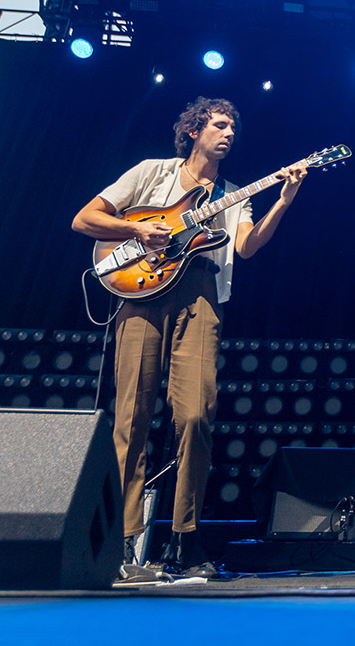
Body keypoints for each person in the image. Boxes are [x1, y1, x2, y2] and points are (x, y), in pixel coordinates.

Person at [72, 96, 307, 580]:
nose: (229, 134)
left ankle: (186, 540)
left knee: (197, 414)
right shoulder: (151, 172)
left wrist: (283, 201)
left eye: (233, 129)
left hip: (200, 297)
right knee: (131, 418)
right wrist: (138, 231)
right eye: (220, 125)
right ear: (196, 129)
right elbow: (84, 220)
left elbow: (246, 246)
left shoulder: (235, 192)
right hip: (141, 295)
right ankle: (121, 546)